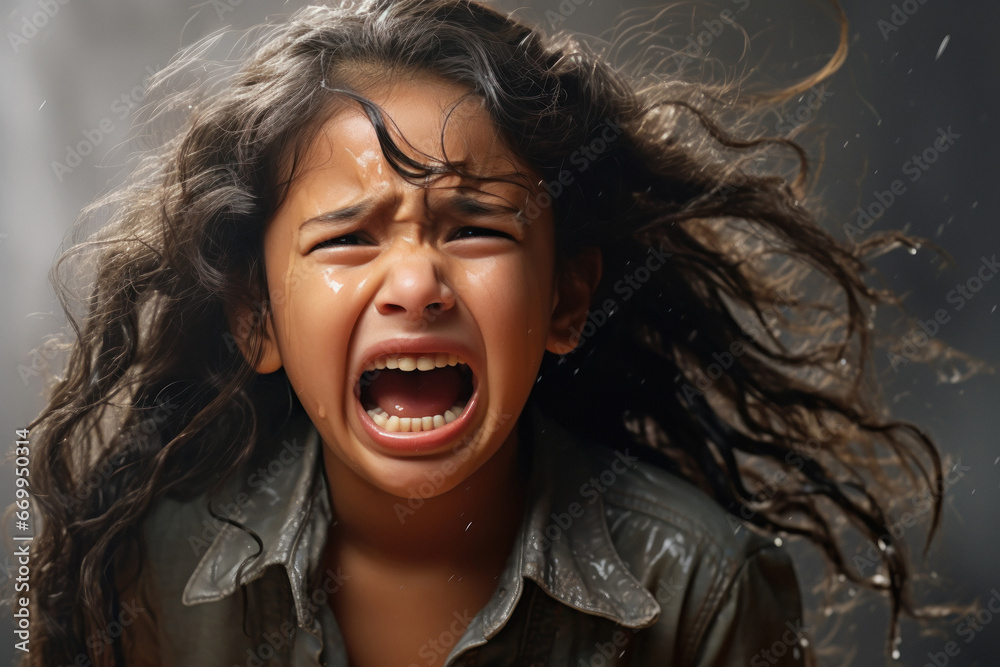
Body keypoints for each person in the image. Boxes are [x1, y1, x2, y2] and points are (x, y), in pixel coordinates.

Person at [26, 1, 949, 665]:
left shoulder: (700, 588)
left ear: (564, 300)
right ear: (255, 316)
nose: (419, 283)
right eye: (348, 238)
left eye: (474, 228)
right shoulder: (157, 565)